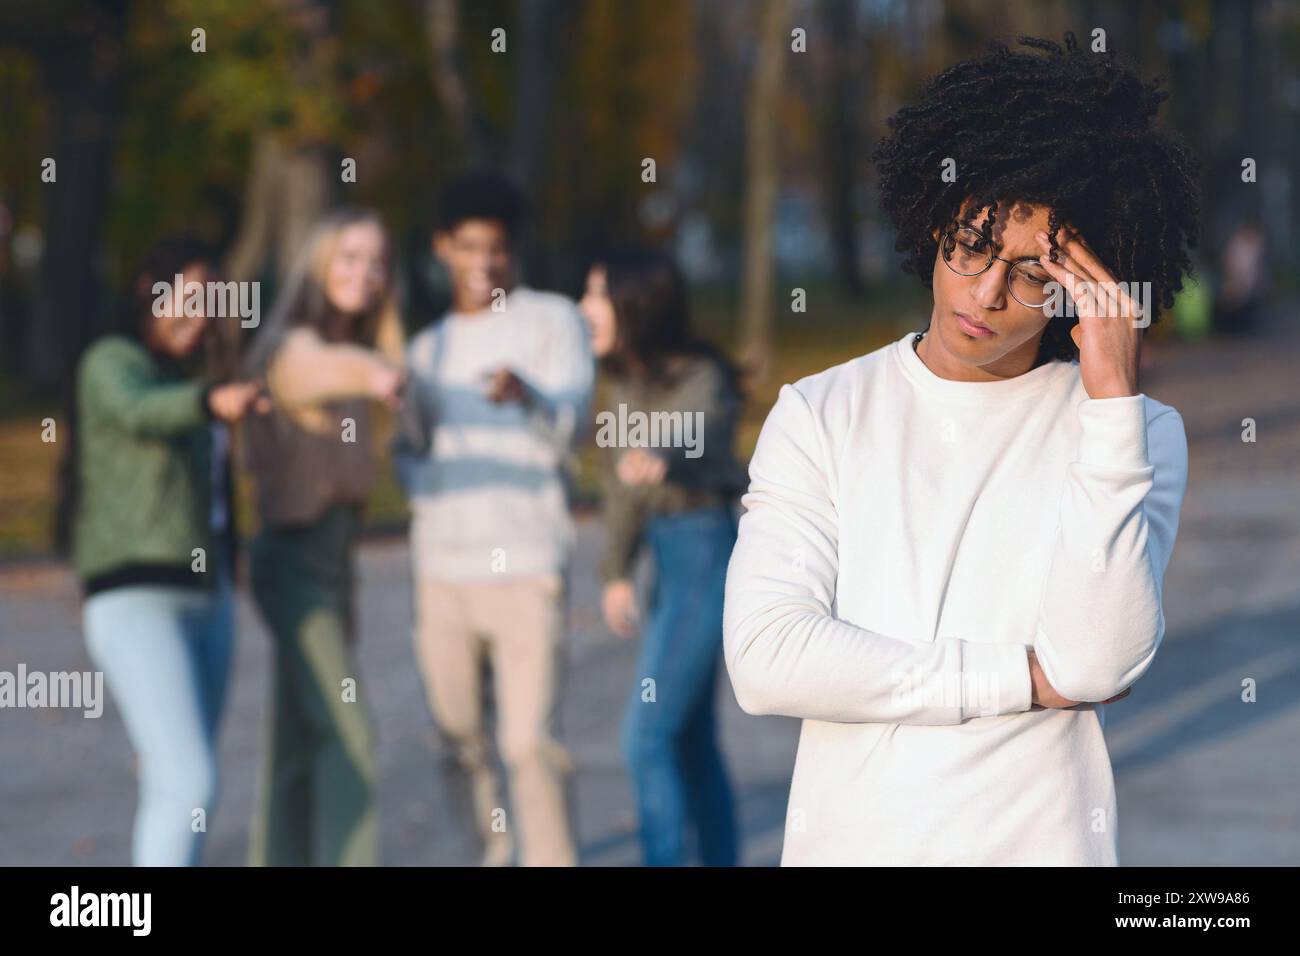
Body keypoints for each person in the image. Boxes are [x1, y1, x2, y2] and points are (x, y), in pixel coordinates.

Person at [723, 33, 1195, 866]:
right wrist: (1017, 679)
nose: (985, 292)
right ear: (936, 222)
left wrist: (1112, 396)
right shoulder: (820, 412)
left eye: (1031, 275)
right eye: (974, 244)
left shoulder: (1135, 431)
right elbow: (767, 659)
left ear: (1082, 292)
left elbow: (1096, 660)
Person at [393, 171, 592, 867]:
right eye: (469, 248)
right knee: (459, 737)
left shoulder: (551, 321)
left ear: (515, 250)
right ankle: (491, 852)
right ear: (444, 248)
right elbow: (405, 457)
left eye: (498, 249)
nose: (485, 264)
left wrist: (530, 396)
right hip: (441, 572)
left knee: (527, 740)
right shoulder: (425, 349)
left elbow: (576, 430)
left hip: (528, 562)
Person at [63, 236, 261, 865]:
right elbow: (139, 411)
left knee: (181, 787)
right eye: (191, 296)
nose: (200, 315)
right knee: (190, 780)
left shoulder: (194, 379)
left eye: (212, 303)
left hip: (209, 598)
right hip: (135, 597)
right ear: (152, 289)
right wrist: (208, 402)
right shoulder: (111, 361)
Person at [242, 208, 405, 867]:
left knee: (297, 745)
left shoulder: (349, 350)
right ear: (318, 264)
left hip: (330, 567)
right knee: (351, 736)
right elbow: (306, 370)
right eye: (348, 257)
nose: (363, 273)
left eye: (376, 262)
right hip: (293, 561)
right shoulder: (294, 345)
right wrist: (379, 375)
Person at [579, 247, 744, 867]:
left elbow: (701, 427)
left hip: (705, 550)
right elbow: (619, 491)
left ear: (635, 308)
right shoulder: (620, 385)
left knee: (645, 738)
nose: (583, 308)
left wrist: (663, 451)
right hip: (666, 560)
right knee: (691, 740)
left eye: (596, 295)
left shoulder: (700, 374)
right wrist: (615, 571)